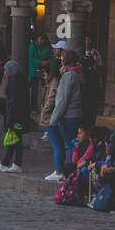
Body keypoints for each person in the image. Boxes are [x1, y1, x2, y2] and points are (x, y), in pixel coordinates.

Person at [44, 50, 83, 183]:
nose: (60, 60)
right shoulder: (78, 74)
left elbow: (62, 100)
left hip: (68, 116)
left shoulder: (69, 76)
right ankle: (71, 172)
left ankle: (65, 172)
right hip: (75, 114)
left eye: (62, 58)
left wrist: (53, 119)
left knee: (70, 145)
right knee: (73, 145)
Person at [0, 59, 27, 173]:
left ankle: (6, 163)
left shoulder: (14, 83)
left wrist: (10, 120)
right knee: (16, 140)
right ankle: (15, 163)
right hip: (20, 116)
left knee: (12, 139)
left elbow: (13, 103)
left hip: (15, 116)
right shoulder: (20, 81)